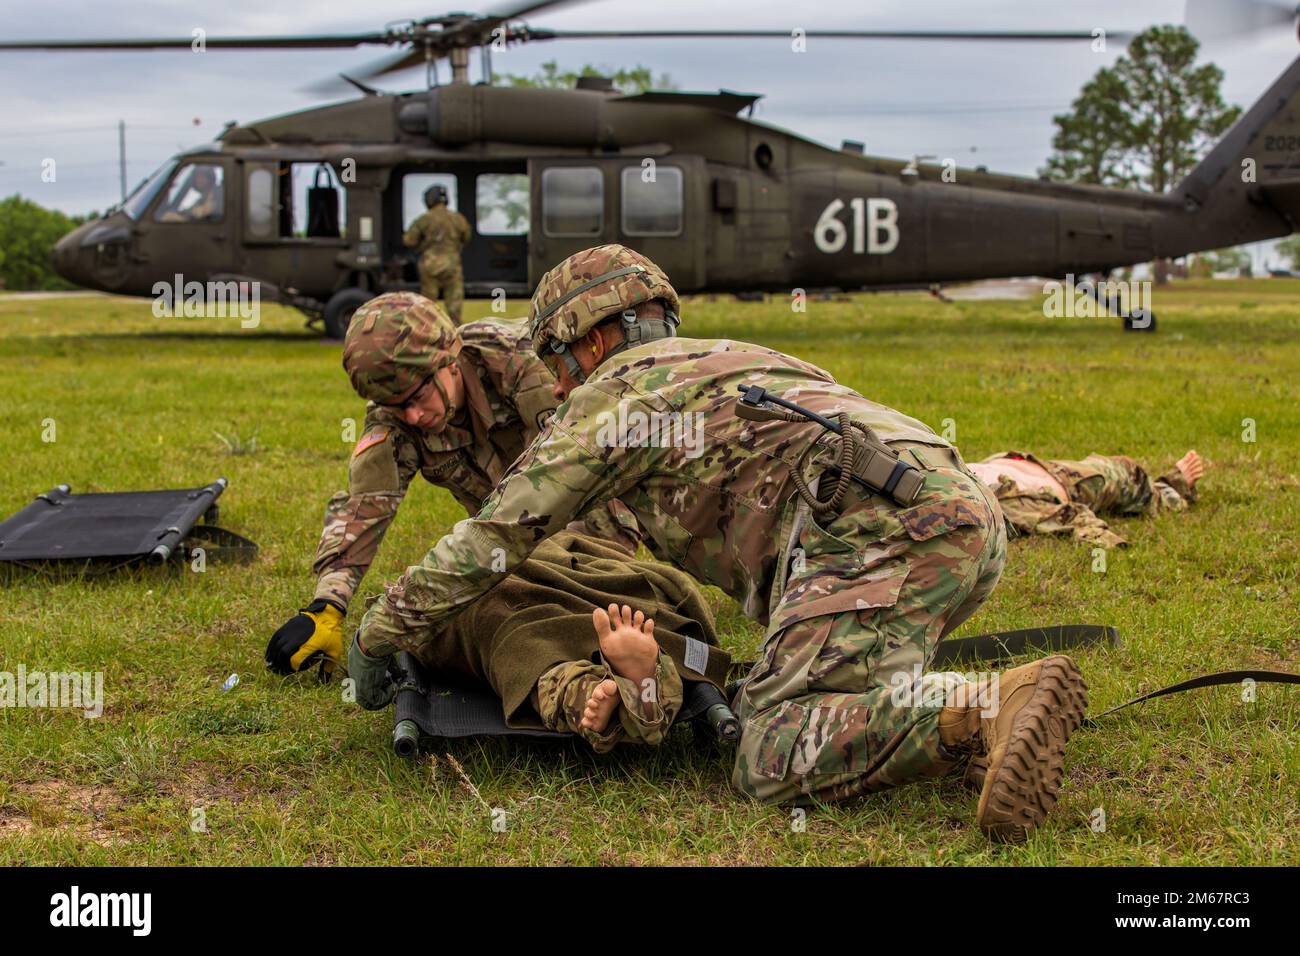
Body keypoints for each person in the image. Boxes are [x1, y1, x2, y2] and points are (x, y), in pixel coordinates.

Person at [347, 244, 1090, 843]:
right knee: (823, 687)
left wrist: (381, 632)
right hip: (963, 520)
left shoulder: (618, 397)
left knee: (768, 749)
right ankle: (967, 723)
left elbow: (498, 534)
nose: (558, 383)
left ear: (596, 339)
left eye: (559, 361)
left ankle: (982, 708)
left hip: (873, 539)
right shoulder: (738, 356)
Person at [265, 292, 638, 680]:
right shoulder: (396, 417)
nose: (412, 415)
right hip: (508, 533)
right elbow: (364, 507)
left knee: (598, 600)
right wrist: (327, 605)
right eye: (396, 405)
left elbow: (585, 469)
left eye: (418, 396)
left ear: (450, 359)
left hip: (590, 502)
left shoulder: (524, 364)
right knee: (510, 605)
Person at [396, 530, 731, 751]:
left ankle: (585, 694)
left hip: (523, 604)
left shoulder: (483, 543)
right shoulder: (525, 531)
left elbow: (421, 602)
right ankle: (642, 689)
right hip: (578, 598)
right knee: (516, 633)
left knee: (520, 646)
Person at [969, 449, 1206, 548]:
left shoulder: (943, 478)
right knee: (1131, 475)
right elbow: (1073, 517)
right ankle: (1174, 486)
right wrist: (1107, 541)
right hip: (1074, 483)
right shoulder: (1006, 508)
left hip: (1024, 463)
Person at [402, 185, 471, 323]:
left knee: (428, 308)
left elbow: (409, 240)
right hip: (452, 265)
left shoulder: (424, 219)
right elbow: (466, 237)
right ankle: (456, 338)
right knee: (454, 308)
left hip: (430, 265)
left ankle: (428, 336)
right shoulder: (458, 218)